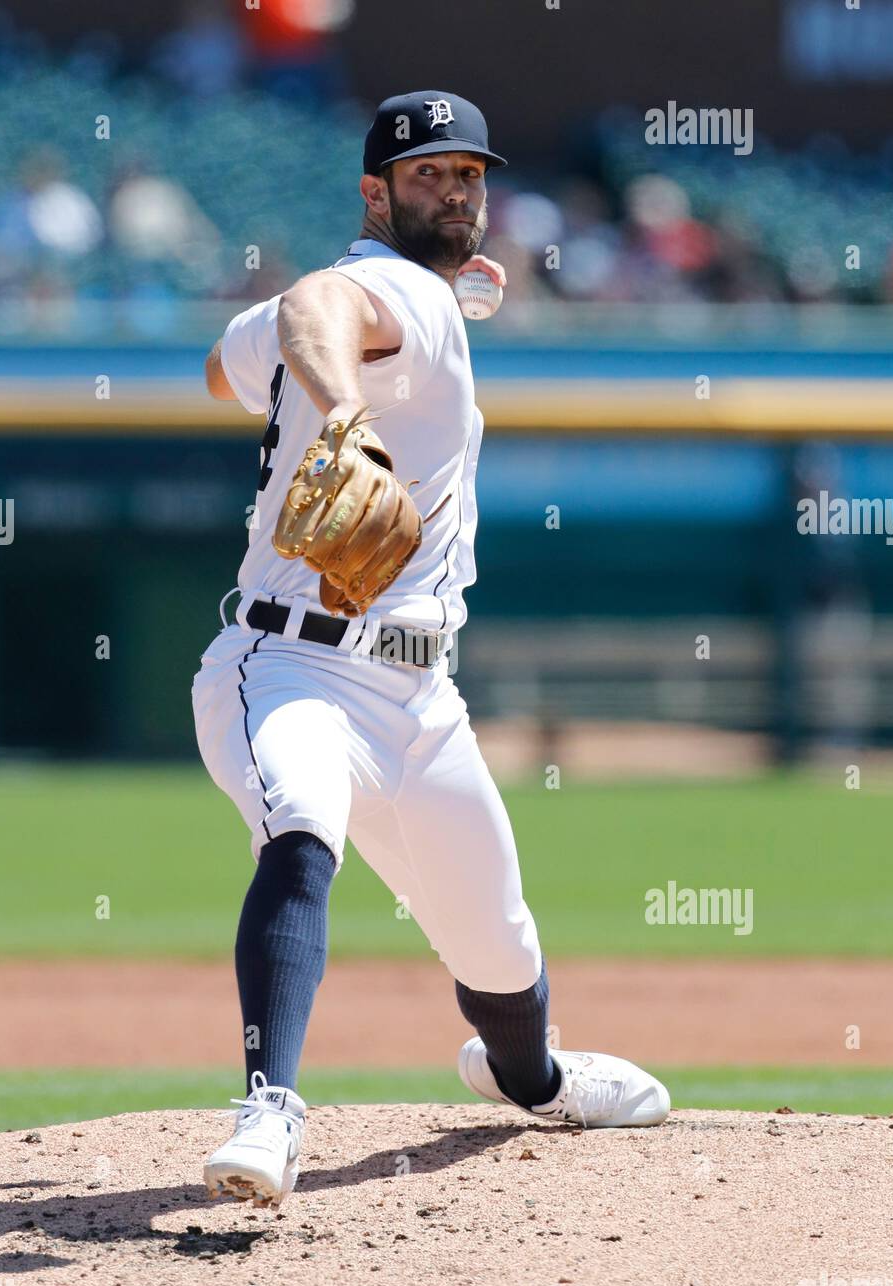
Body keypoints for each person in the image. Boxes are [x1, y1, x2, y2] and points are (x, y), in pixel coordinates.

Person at [193, 91, 670, 1206]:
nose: (455, 191)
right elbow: (327, 300)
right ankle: (269, 1108)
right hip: (292, 667)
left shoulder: (408, 295)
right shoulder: (374, 290)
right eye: (428, 176)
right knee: (304, 833)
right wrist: (348, 407)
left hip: (421, 698)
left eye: (469, 175)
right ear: (375, 192)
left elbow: (224, 368)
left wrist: (408, 308)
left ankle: (539, 1080)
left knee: (501, 956)